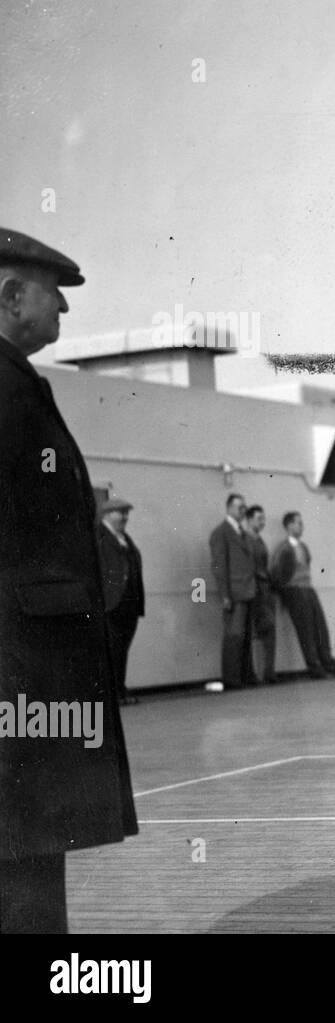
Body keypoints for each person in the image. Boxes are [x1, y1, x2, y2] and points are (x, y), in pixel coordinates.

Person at [0, 228, 137, 932]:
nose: (64, 309)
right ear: (10, 294)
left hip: (28, 674)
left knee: (25, 855)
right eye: (54, 293)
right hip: (20, 675)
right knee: (23, 863)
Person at [271, 511, 335, 678]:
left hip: (308, 588)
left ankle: (328, 663)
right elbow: (277, 573)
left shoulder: (303, 547)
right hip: (295, 590)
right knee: (306, 630)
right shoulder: (283, 549)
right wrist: (286, 592)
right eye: (298, 523)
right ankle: (315, 667)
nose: (301, 526)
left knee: (320, 627)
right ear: (289, 525)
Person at [97, 495, 145, 705]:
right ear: (107, 515)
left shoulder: (125, 538)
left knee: (121, 650)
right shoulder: (99, 537)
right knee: (112, 650)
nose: (125, 517)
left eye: (126, 513)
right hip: (112, 604)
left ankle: (120, 692)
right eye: (121, 512)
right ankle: (113, 694)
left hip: (129, 605)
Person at [208, 493, 258, 689]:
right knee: (234, 636)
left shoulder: (242, 533)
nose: (242, 510)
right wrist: (225, 595)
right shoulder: (221, 532)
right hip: (235, 593)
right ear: (228, 508)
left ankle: (246, 675)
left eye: (244, 507)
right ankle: (232, 678)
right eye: (239, 507)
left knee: (245, 637)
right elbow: (219, 566)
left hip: (247, 591)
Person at [243, 504, 277, 685]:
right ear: (248, 520)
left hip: (264, 591)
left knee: (269, 631)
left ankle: (268, 673)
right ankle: (253, 675)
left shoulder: (260, 540)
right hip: (253, 591)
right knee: (251, 634)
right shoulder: (245, 541)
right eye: (259, 519)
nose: (262, 522)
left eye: (263, 519)